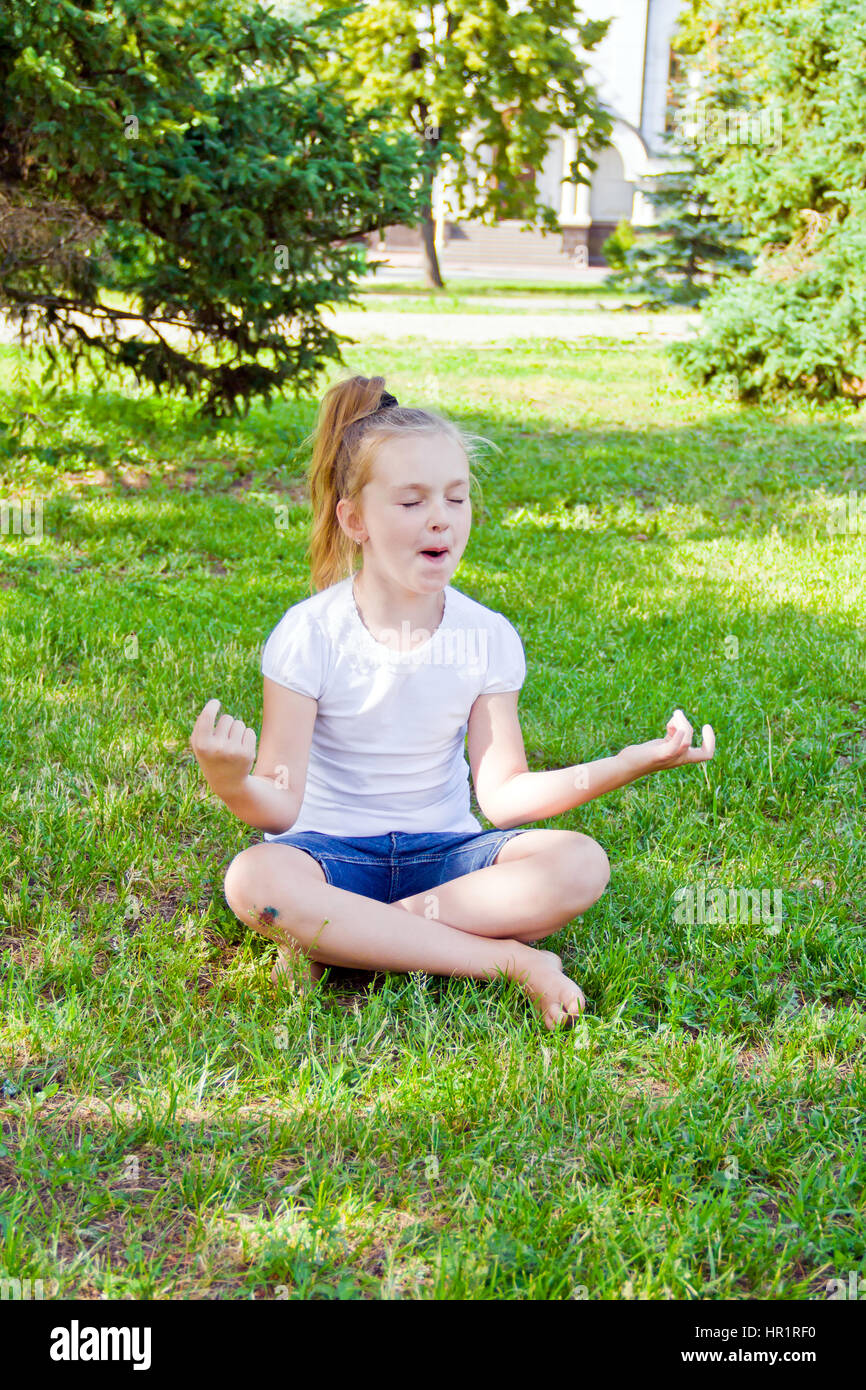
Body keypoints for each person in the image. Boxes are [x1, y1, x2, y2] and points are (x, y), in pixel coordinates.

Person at [190, 374, 715, 1030]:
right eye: (411, 503)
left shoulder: (486, 636)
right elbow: (279, 802)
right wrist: (228, 780)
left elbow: (504, 797)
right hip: (326, 857)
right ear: (354, 520)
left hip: (443, 861)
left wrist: (628, 761)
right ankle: (507, 962)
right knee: (254, 881)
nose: (440, 517)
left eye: (456, 498)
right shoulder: (310, 632)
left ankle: (346, 941)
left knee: (579, 864)